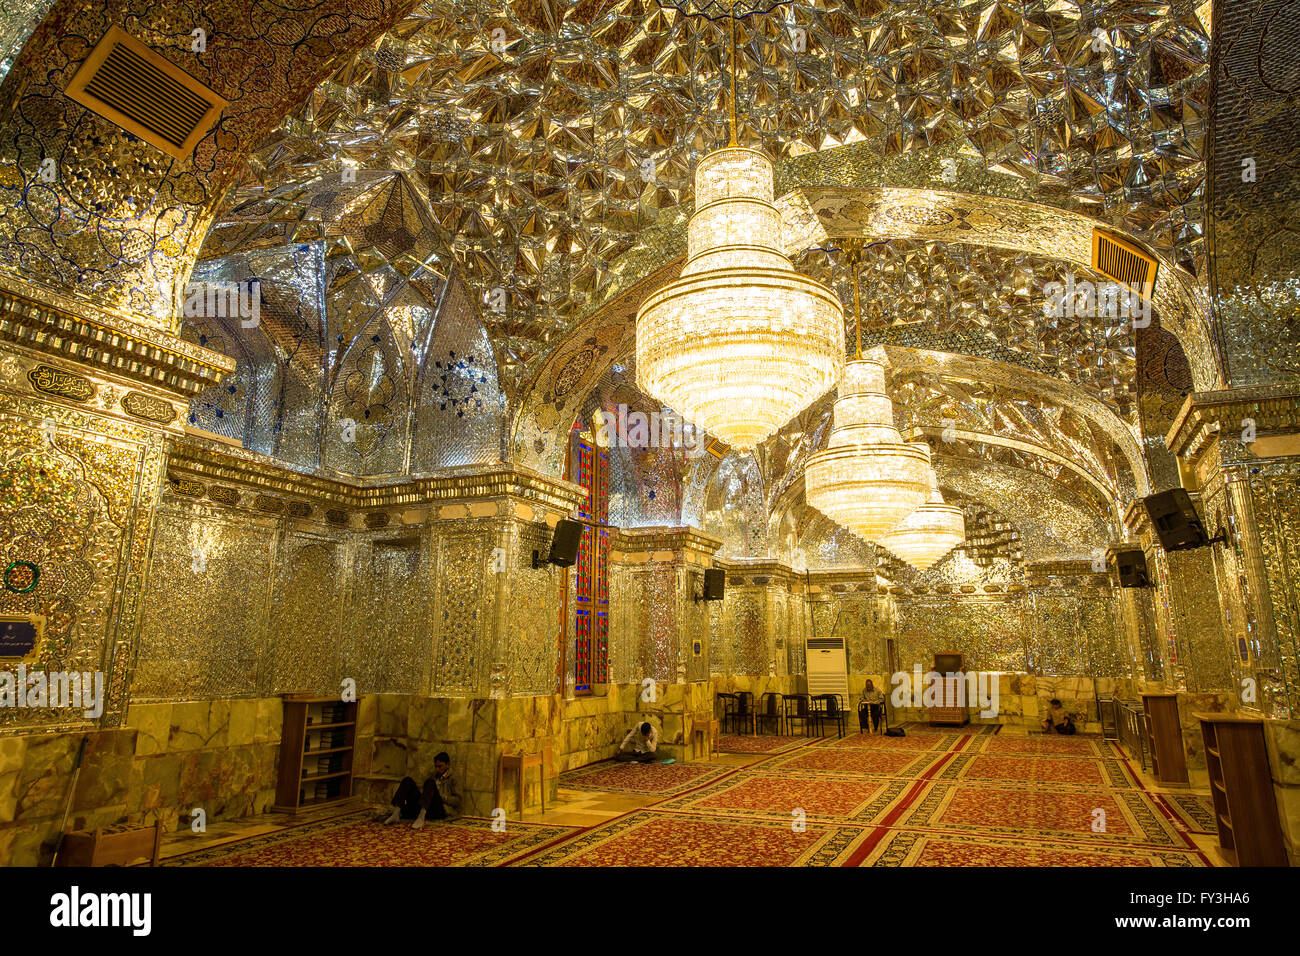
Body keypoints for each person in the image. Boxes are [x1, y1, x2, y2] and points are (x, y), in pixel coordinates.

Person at [383, 751, 462, 828]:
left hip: (440, 809)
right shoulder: (433, 775)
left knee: (430, 782)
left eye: (440, 766)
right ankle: (396, 813)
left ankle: (421, 817)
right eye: (436, 766)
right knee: (407, 781)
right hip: (426, 807)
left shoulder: (454, 778)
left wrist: (442, 797)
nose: (437, 769)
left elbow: (458, 800)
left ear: (448, 765)